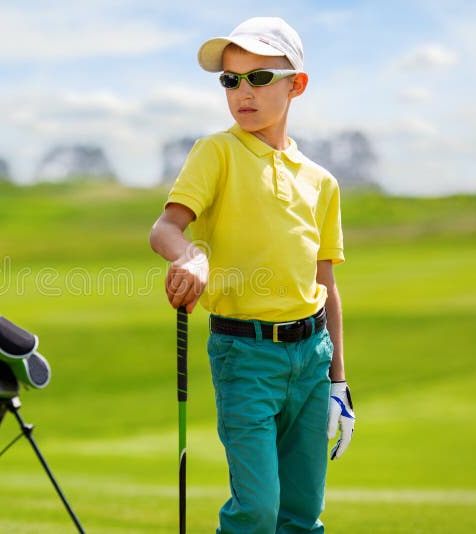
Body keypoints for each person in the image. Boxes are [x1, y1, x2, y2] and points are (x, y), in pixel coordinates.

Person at [149, 17, 355, 533]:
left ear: (296, 85)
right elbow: (166, 228)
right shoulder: (216, 152)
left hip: (312, 358)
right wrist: (190, 256)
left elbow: (326, 285)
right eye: (230, 80)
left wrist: (339, 382)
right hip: (245, 356)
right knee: (257, 510)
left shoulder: (321, 182)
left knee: (302, 516)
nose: (243, 92)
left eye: (259, 78)